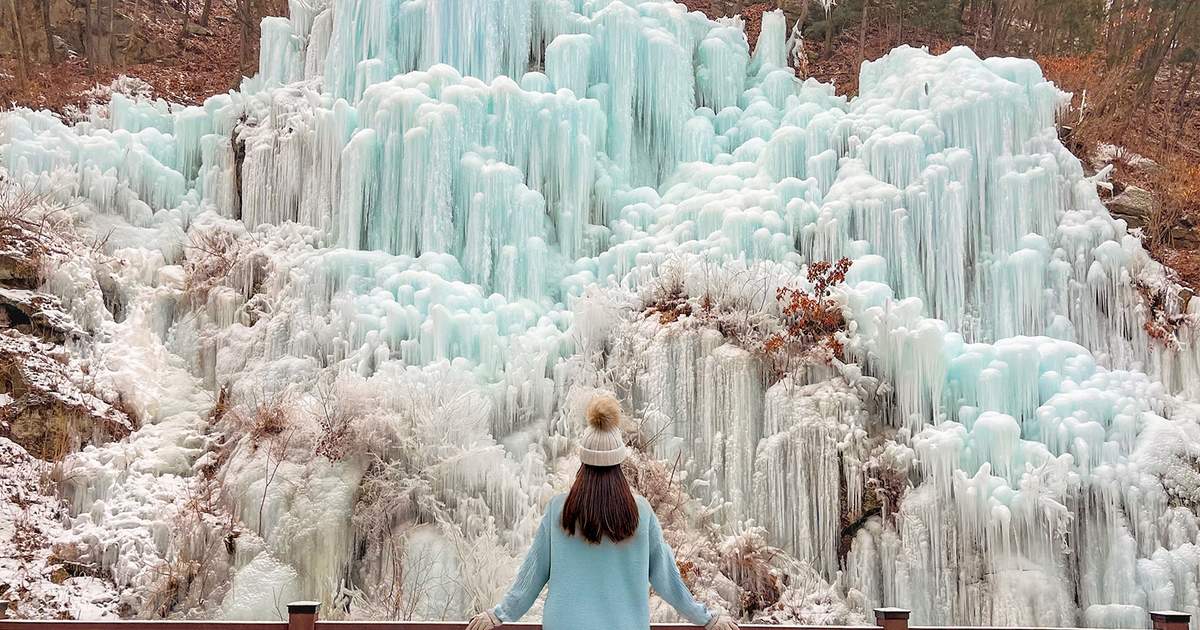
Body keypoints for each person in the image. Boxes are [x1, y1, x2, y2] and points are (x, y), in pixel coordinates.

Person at [466, 395, 739, 630]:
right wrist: (707, 619)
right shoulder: (639, 514)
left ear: (583, 462)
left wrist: (499, 615)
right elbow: (667, 579)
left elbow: (531, 577)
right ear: (619, 463)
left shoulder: (559, 512)